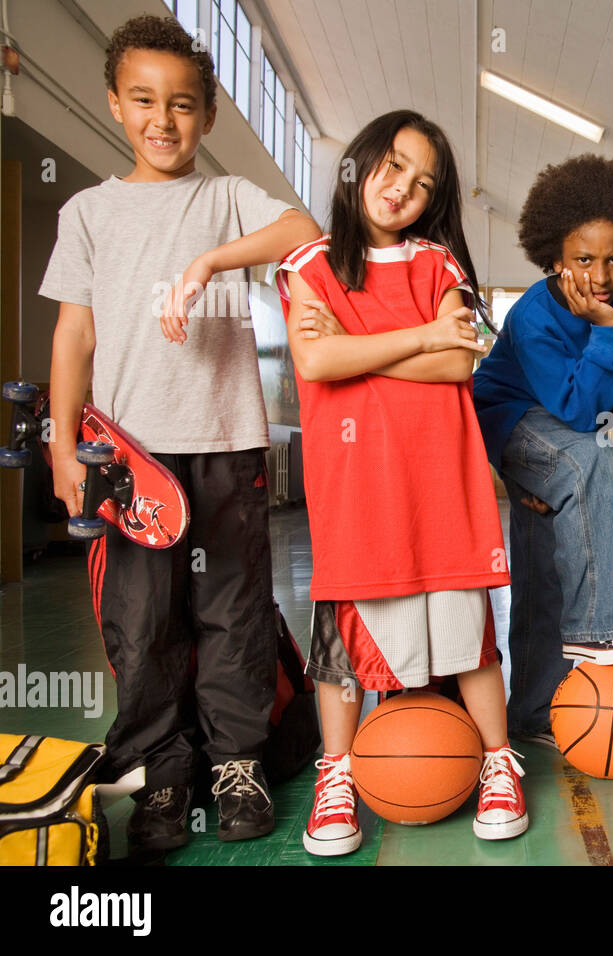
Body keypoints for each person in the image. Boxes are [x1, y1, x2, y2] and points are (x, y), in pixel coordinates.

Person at [41, 14, 321, 854]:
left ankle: (235, 763)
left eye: (184, 104)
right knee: (142, 619)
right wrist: (61, 449)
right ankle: (162, 771)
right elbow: (73, 337)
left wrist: (209, 261)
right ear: (115, 105)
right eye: (144, 100)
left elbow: (304, 231)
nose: (163, 119)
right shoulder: (89, 211)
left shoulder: (229, 197)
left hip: (227, 444)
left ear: (206, 115)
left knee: (232, 612)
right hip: (128, 459)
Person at [279, 110, 524, 854]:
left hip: (440, 485)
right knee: (341, 646)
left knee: (470, 636)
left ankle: (498, 760)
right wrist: (417, 336)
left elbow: (460, 363)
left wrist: (356, 348)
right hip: (354, 494)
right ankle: (337, 773)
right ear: (358, 164)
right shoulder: (309, 264)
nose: (401, 190)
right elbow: (315, 364)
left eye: (422, 185)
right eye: (391, 167)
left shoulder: (439, 266)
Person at [472, 155, 613, 744]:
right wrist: (602, 334)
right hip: (510, 420)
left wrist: (611, 330)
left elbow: (609, 403)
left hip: (568, 436)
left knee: (545, 572)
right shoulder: (535, 311)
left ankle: (531, 713)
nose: (600, 275)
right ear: (555, 258)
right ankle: (600, 627)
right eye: (584, 259)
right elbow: (578, 408)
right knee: (588, 459)